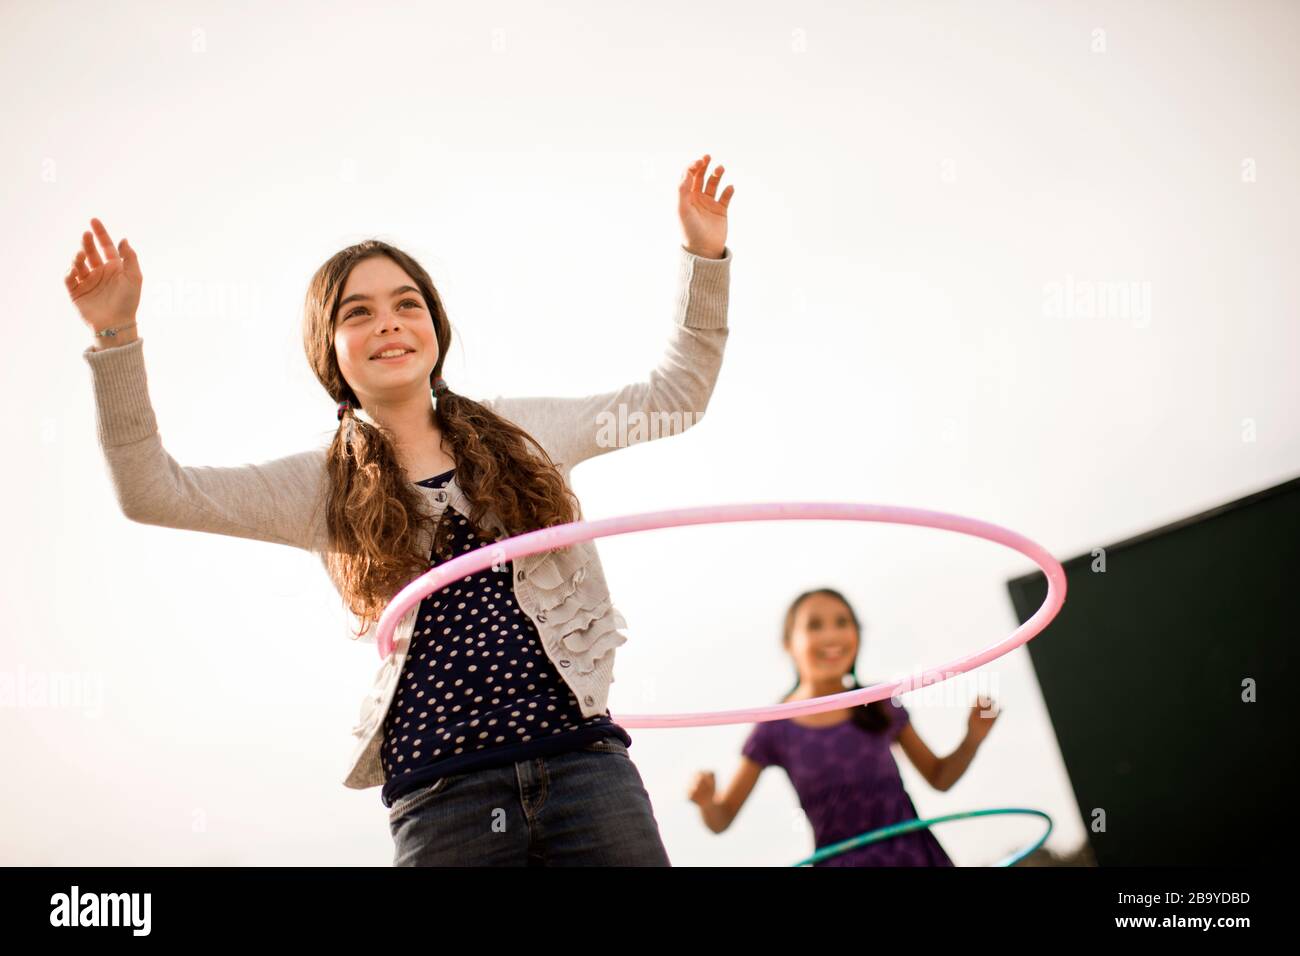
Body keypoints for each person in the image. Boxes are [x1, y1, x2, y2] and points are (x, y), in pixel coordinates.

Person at [68, 154, 736, 866]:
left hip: (583, 768)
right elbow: (151, 491)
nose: (388, 324)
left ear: (436, 327)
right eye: (359, 314)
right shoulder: (316, 488)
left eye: (406, 303)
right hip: (443, 796)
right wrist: (116, 337)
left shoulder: (529, 432)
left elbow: (675, 400)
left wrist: (705, 253)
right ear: (331, 353)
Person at [688, 588, 999, 865]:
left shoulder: (880, 702)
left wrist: (973, 738)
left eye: (842, 623)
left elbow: (939, 778)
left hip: (912, 856)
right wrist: (706, 802)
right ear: (788, 644)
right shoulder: (774, 727)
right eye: (814, 625)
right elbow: (722, 818)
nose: (831, 636)